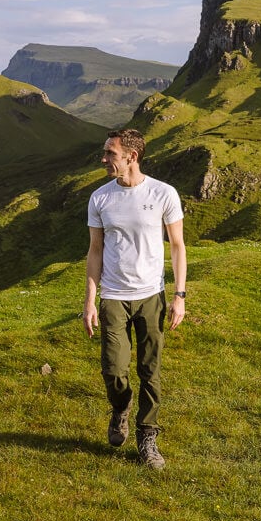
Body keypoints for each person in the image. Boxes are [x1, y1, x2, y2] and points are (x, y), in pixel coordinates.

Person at [83, 128, 186, 470]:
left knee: (150, 369)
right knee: (114, 369)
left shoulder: (163, 193)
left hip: (151, 296)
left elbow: (177, 246)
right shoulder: (100, 198)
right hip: (113, 295)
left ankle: (148, 436)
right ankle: (120, 406)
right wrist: (89, 300)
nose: (104, 159)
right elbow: (95, 250)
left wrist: (179, 296)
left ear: (132, 157)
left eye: (110, 153)